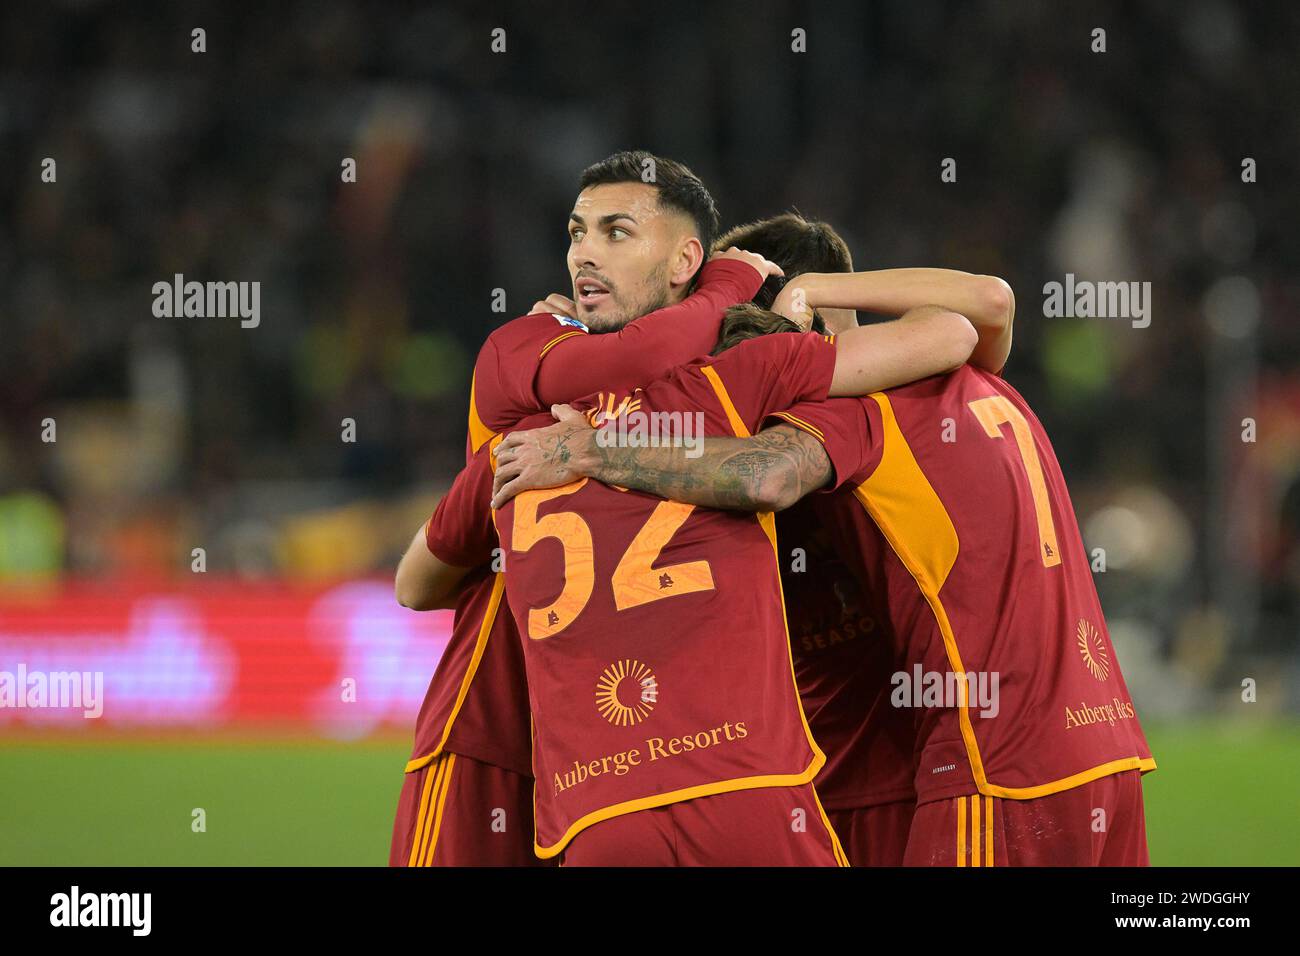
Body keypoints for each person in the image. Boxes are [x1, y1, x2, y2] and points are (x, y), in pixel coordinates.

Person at [492, 270, 1157, 866]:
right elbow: (990, 298)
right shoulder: (982, 377)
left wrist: (594, 443)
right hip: (1107, 745)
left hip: (999, 764)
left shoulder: (853, 410)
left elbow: (766, 475)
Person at [426, 297, 979, 864]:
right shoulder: (734, 386)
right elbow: (956, 331)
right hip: (748, 785)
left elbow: (414, 585)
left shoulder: (521, 443)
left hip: (595, 808)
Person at [389, 151, 781, 866]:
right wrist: (733, 280)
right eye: (576, 234)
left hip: (607, 761)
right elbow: (414, 584)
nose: (584, 255)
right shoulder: (527, 350)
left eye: (615, 233)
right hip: (493, 735)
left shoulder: (713, 382)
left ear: (680, 259)